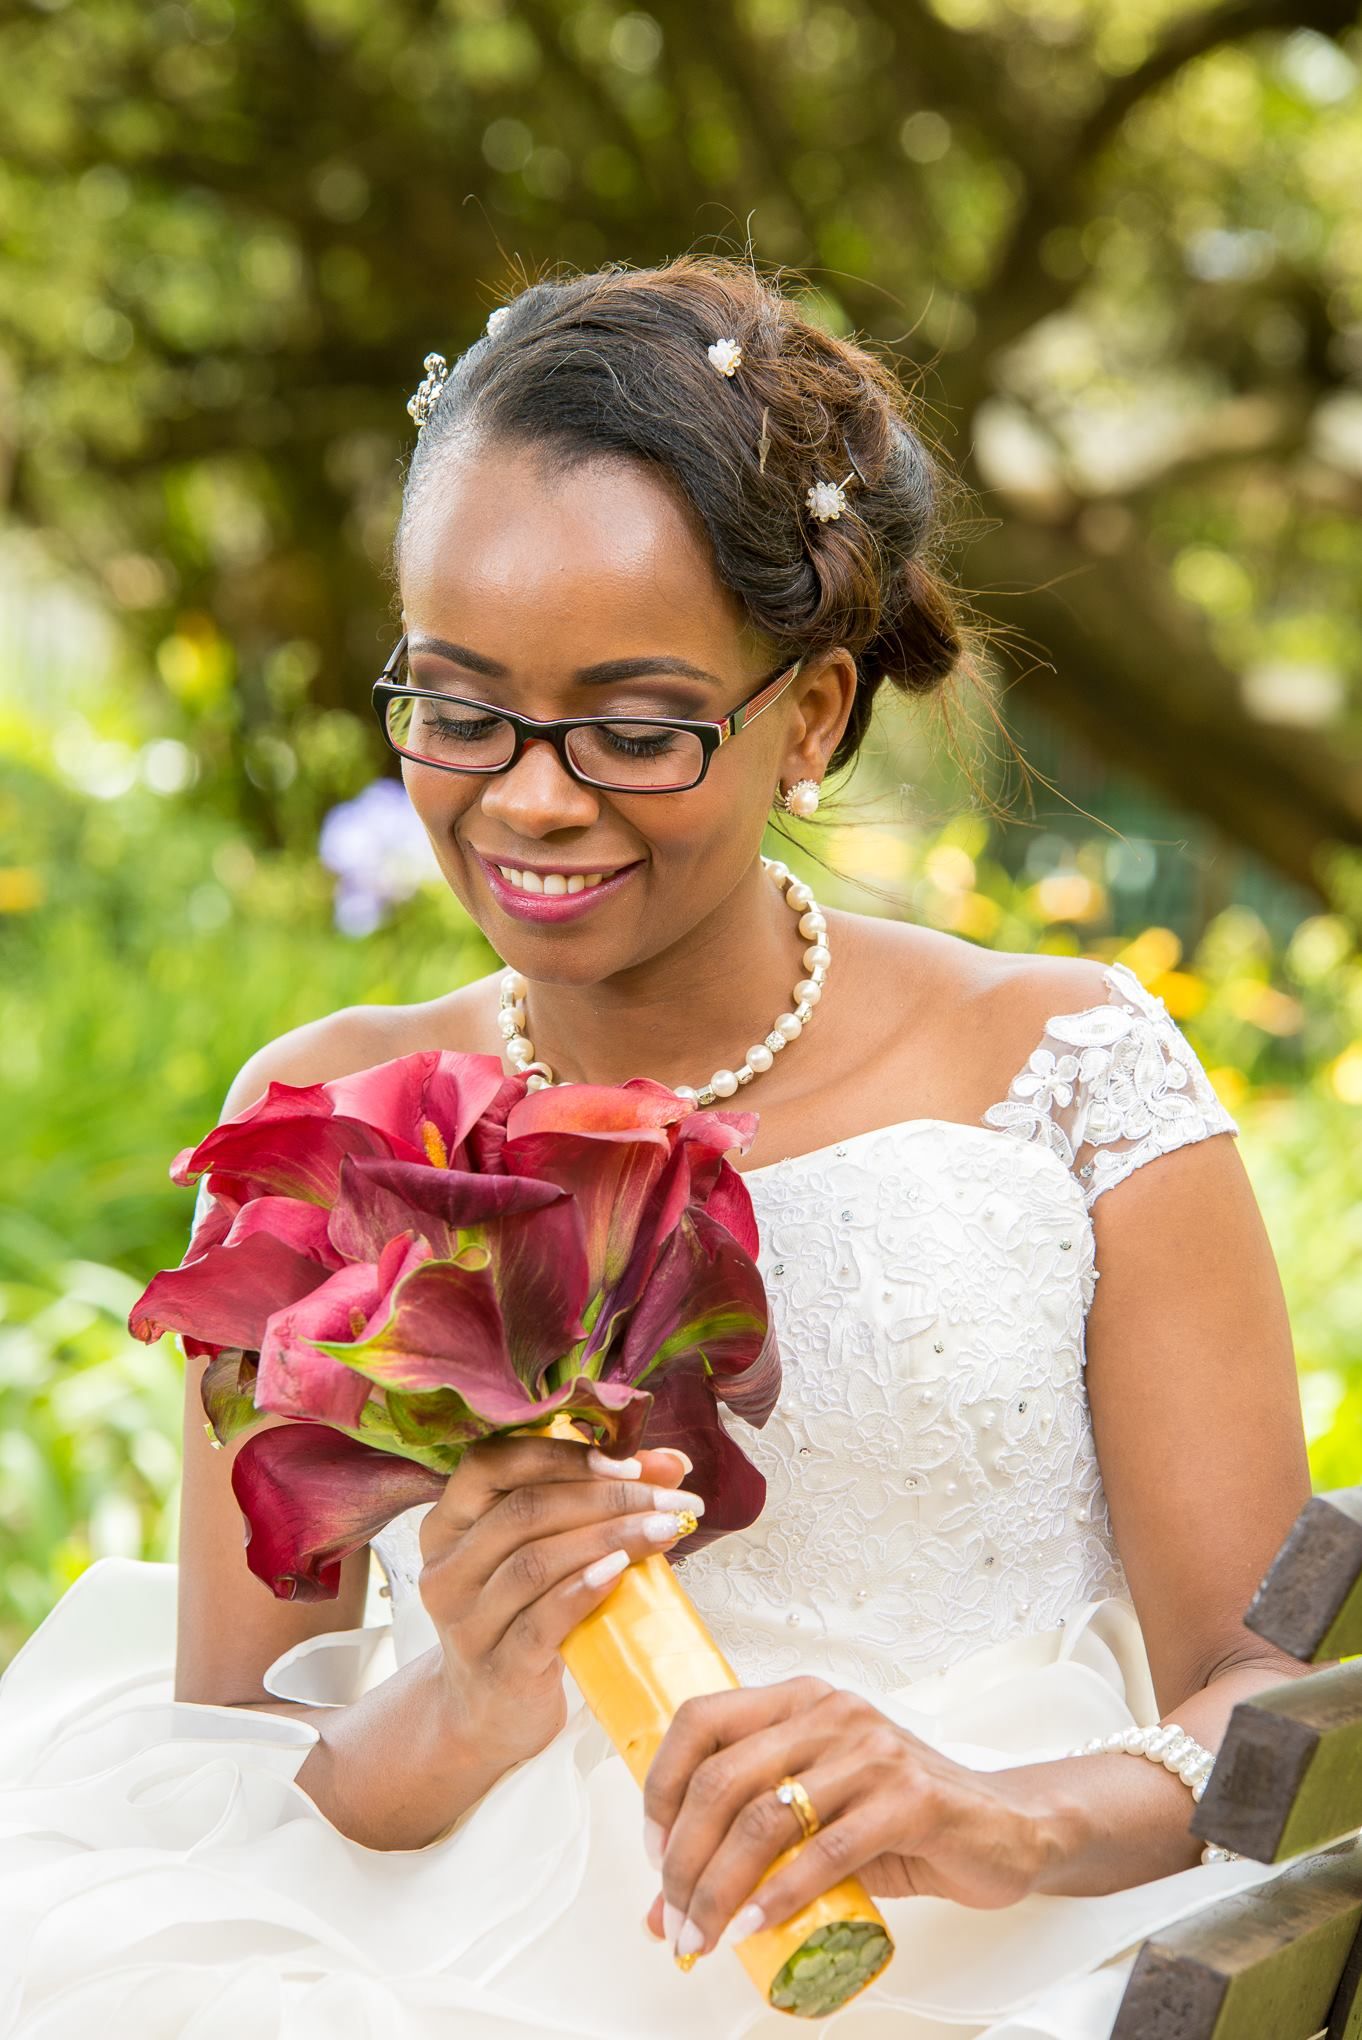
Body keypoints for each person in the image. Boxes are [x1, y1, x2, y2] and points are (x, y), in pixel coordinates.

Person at [0, 255, 1311, 2038]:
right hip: (433, 1961)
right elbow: (240, 1757)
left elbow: (1268, 1690)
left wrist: (1005, 1818)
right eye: (459, 710)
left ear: (814, 716)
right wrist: (458, 1701)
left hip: (1004, 1953)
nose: (531, 798)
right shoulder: (330, 1135)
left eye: (632, 729)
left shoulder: (1064, 1072)